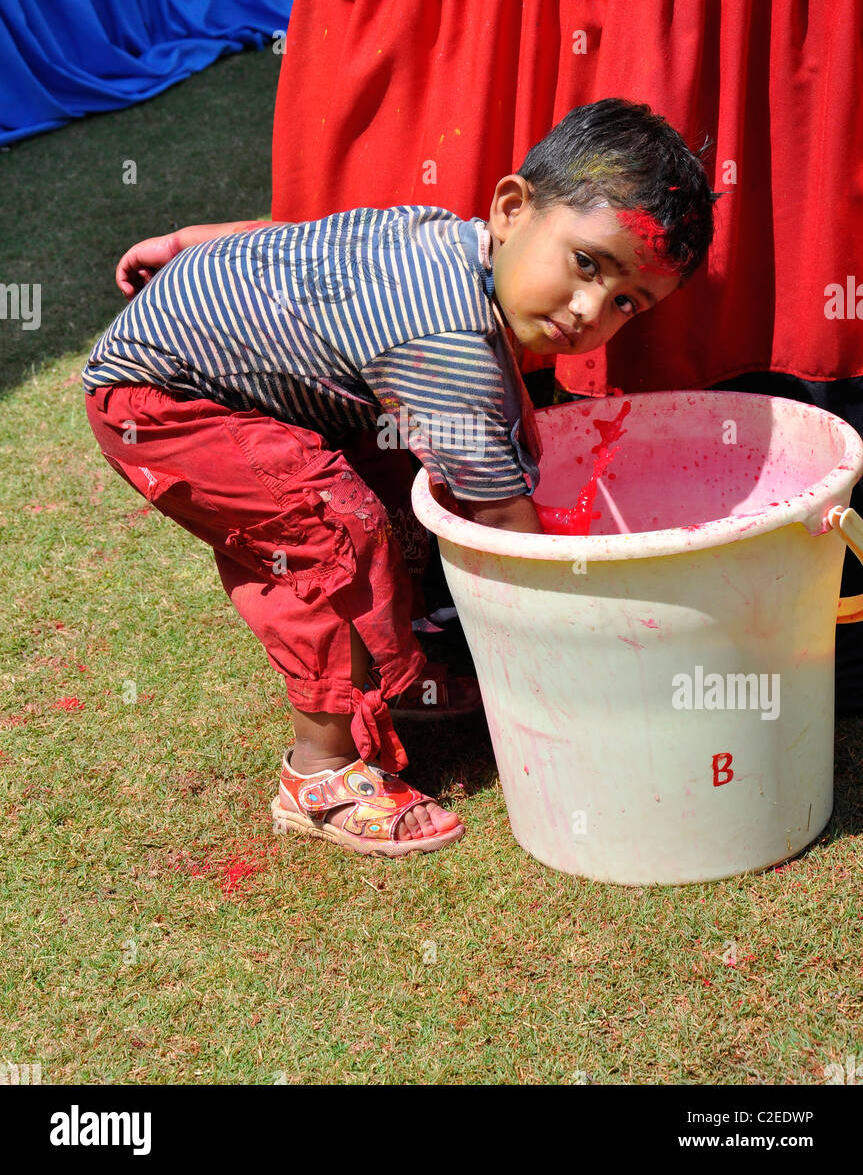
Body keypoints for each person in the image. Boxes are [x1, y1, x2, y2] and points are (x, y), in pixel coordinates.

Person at [82, 98, 717, 857]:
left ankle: (397, 680)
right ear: (511, 208)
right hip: (163, 403)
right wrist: (594, 652)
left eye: (625, 303)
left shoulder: (442, 241)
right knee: (334, 535)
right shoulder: (443, 342)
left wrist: (191, 243)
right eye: (586, 263)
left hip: (243, 373)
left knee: (394, 487)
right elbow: (503, 521)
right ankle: (319, 774)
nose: (589, 311)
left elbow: (305, 243)